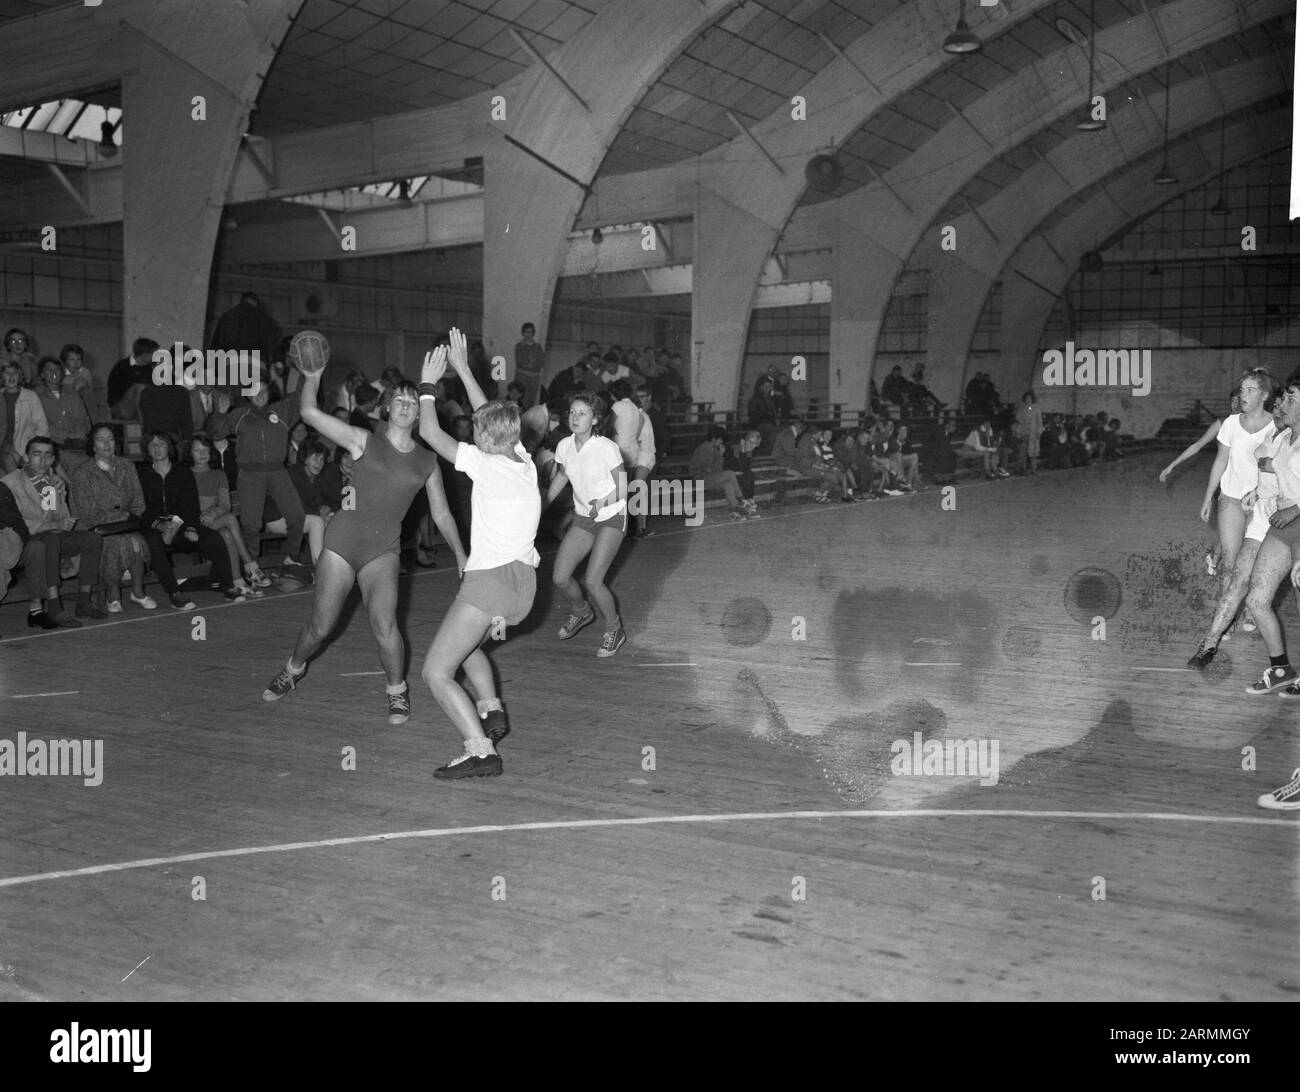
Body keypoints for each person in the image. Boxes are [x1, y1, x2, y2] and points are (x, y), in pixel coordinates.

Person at [261, 345, 468, 726]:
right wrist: (311, 377)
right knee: (320, 626)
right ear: (386, 408)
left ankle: (396, 690)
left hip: (382, 551)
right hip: (340, 545)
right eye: (398, 399)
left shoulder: (427, 460)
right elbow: (308, 413)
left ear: (422, 409)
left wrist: (459, 553)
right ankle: (293, 668)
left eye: (412, 400)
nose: (406, 404)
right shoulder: (361, 439)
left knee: (385, 625)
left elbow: (441, 513)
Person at [416, 330, 541, 778]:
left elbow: (429, 430)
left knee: (435, 672)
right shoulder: (522, 460)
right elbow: (490, 414)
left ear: (485, 438)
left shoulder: (483, 465)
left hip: (491, 582)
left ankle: (480, 749)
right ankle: (490, 708)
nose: (471, 431)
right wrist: (465, 369)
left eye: (476, 430)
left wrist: (428, 384)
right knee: (463, 647)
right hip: (524, 588)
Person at [543, 392, 628, 657]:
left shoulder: (606, 447)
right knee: (560, 577)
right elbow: (561, 478)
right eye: (572, 412)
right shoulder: (564, 446)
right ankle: (581, 612)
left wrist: (602, 502)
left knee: (593, 581)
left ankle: (615, 630)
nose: (575, 417)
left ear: (595, 419)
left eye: (582, 413)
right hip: (583, 518)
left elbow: (624, 487)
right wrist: (540, 507)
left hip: (612, 515)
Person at [1197, 369, 1276, 637]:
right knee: (1230, 563)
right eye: (1242, 390)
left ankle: (1248, 610)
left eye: (1251, 390)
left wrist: (1260, 490)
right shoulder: (1231, 423)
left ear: (1264, 395)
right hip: (1230, 498)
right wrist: (1209, 495)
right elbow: (1220, 460)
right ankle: (1228, 617)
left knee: (1251, 565)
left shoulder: (1276, 425)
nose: (1244, 395)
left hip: (1261, 504)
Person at [2, 435, 104, 627]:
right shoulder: (10, 483)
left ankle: (84, 601)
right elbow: (19, 524)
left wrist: (58, 493)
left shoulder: (53, 482)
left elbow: (58, 518)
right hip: (20, 541)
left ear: (53, 460)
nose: (43, 460)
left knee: (92, 539)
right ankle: (54, 605)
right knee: (50, 540)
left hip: (48, 535)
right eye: (37, 454)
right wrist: (54, 526)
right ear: (26, 457)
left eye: (48, 455)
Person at [137, 431, 245, 607]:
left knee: (214, 538)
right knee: (153, 542)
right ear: (147, 449)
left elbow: (190, 505)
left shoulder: (182, 471)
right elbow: (140, 507)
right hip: (154, 525)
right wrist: (159, 524)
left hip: (181, 523)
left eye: (161, 443)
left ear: (169, 447)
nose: (157, 448)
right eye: (152, 445)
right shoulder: (141, 473)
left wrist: (190, 528)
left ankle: (229, 587)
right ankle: (175, 593)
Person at [226, 376, 309, 578]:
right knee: (251, 524)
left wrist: (305, 373)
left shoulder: (281, 411)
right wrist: (219, 414)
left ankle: (291, 557)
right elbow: (215, 430)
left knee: (297, 515)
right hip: (250, 473)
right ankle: (251, 566)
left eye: (264, 390)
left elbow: (300, 396)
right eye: (255, 390)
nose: (261, 394)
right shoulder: (239, 415)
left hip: (277, 471)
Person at [70, 424, 154, 613]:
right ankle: (113, 593)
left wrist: (127, 518)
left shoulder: (127, 466)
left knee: (136, 540)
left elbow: (139, 503)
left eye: (110, 439)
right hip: (95, 528)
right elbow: (88, 514)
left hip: (126, 524)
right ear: (93, 445)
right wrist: (121, 515)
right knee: (118, 542)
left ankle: (138, 592)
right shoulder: (83, 473)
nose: (107, 444)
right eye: (101, 440)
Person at [190, 433, 269, 596]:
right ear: (190, 453)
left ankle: (237, 582)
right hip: (194, 522)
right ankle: (251, 567)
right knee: (231, 519)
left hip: (215, 521)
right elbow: (185, 506)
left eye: (206, 450)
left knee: (227, 532)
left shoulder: (219, 474)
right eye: (197, 450)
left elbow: (225, 504)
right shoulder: (186, 474)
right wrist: (208, 514)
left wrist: (213, 513)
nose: (202, 454)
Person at [35, 356, 91, 477]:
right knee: (77, 464)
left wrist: (80, 435)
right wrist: (69, 435)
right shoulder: (36, 396)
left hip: (78, 445)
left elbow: (83, 420)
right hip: (54, 447)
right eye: (49, 370)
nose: (54, 373)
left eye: (57, 370)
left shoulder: (72, 394)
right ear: (42, 374)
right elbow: (42, 427)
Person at [690, 424, 748, 520]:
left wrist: (720, 455)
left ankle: (734, 511)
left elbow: (717, 470)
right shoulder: (704, 449)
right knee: (730, 473)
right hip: (701, 479)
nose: (721, 441)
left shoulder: (714, 449)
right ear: (713, 439)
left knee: (728, 484)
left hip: (710, 478)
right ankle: (741, 499)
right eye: (720, 439)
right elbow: (709, 470)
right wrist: (720, 455)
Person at [0, 360, 48, 474]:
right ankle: (22, 490)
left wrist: (32, 450)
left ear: (20, 376)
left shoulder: (31, 396)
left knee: (7, 462)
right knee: (7, 458)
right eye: (7, 373)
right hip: (3, 446)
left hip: (24, 446)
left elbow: (42, 427)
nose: (11, 376)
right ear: (1, 376)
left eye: (15, 373)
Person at [210, 291, 279, 364]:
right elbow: (272, 348)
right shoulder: (265, 319)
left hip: (229, 363)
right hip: (255, 363)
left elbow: (215, 346)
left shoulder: (225, 317)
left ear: (242, 301)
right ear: (256, 303)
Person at [106, 337, 157, 420]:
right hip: (121, 407)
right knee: (139, 387)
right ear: (145, 354)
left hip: (141, 408)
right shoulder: (122, 367)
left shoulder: (150, 369)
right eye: (154, 354)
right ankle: (144, 421)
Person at [513, 323, 546, 406]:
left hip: (534, 378)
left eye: (530, 332)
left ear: (533, 333)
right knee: (522, 399)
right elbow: (519, 361)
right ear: (523, 333)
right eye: (526, 332)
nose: (528, 334)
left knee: (532, 400)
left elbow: (541, 361)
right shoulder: (519, 346)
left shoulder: (538, 347)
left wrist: (532, 365)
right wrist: (530, 364)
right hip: (522, 376)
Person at [1019, 391, 1043, 475]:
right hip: (1024, 433)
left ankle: (1034, 468)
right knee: (1023, 451)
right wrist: (1019, 433)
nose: (1028, 400)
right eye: (1026, 399)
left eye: (1029, 398)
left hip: (1033, 433)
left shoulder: (1036, 410)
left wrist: (1039, 432)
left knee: (1033, 452)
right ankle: (1023, 469)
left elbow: (1040, 422)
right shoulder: (1021, 410)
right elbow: (1018, 422)